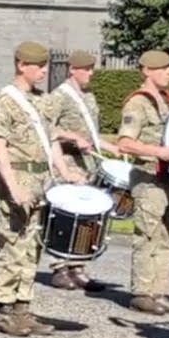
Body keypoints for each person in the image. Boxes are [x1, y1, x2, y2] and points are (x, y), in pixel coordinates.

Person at [0, 41, 87, 336]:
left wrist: (65, 170)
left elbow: (51, 141)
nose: (44, 70)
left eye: (45, 64)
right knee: (13, 245)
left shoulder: (42, 101)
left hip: (41, 182)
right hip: (17, 179)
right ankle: (5, 310)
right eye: (39, 65)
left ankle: (23, 307)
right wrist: (12, 186)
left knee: (31, 248)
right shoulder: (3, 101)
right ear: (21, 64)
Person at [42, 50, 117, 291]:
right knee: (66, 216)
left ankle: (79, 266)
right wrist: (72, 138)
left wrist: (109, 146)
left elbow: (91, 135)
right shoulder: (59, 96)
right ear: (73, 69)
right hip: (67, 161)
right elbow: (48, 128)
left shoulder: (89, 97)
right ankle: (59, 267)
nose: (90, 73)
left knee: (86, 217)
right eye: (86, 68)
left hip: (87, 164)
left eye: (92, 68)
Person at [115, 50, 169, 315]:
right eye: (162, 68)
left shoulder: (165, 101)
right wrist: (157, 153)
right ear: (146, 71)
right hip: (147, 177)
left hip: (165, 177)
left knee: (164, 236)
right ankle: (142, 292)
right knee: (148, 234)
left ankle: (158, 291)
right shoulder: (138, 103)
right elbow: (125, 143)